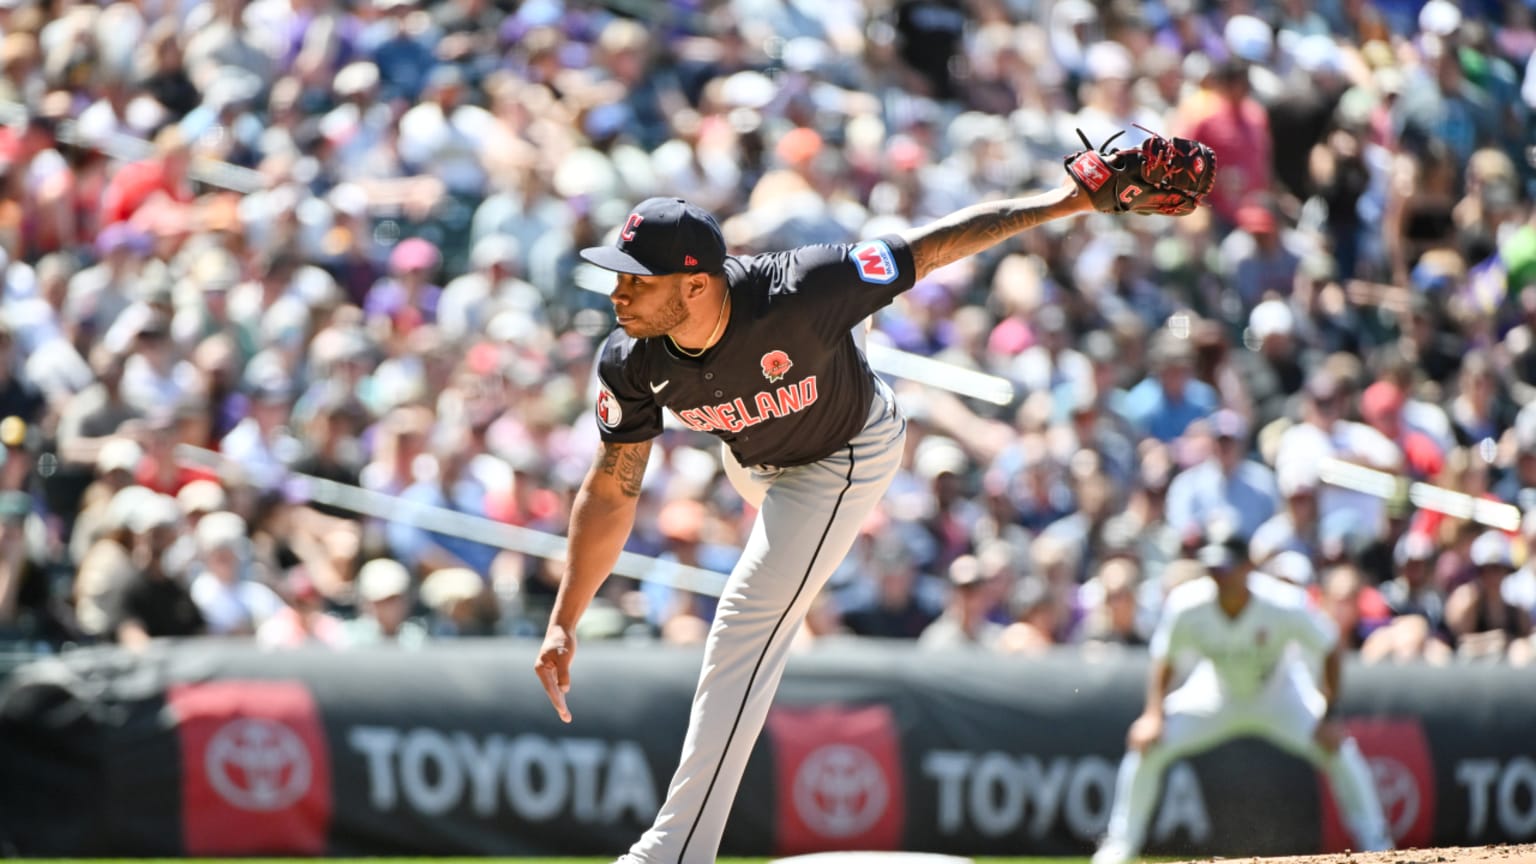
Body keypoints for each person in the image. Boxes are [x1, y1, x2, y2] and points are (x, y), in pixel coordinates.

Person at [535, 169, 1125, 864]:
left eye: (638, 279)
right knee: (756, 488)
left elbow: (934, 245)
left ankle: (671, 854)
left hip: (846, 451)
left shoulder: (799, 285)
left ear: (696, 283)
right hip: (754, 460)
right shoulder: (631, 361)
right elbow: (611, 491)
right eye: (620, 275)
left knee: (743, 623)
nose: (617, 292)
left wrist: (1069, 200)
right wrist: (565, 616)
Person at [1093, 534, 1392, 864]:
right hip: (1216, 692)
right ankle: (1120, 845)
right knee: (1147, 746)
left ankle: (1376, 842)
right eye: (1212, 568)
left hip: (1280, 694)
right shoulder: (1188, 604)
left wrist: (1330, 714)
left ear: (1248, 567)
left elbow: (1330, 647)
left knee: (1340, 750)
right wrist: (1153, 714)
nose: (1219, 576)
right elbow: (1165, 658)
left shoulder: (1283, 603)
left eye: (1226, 567)